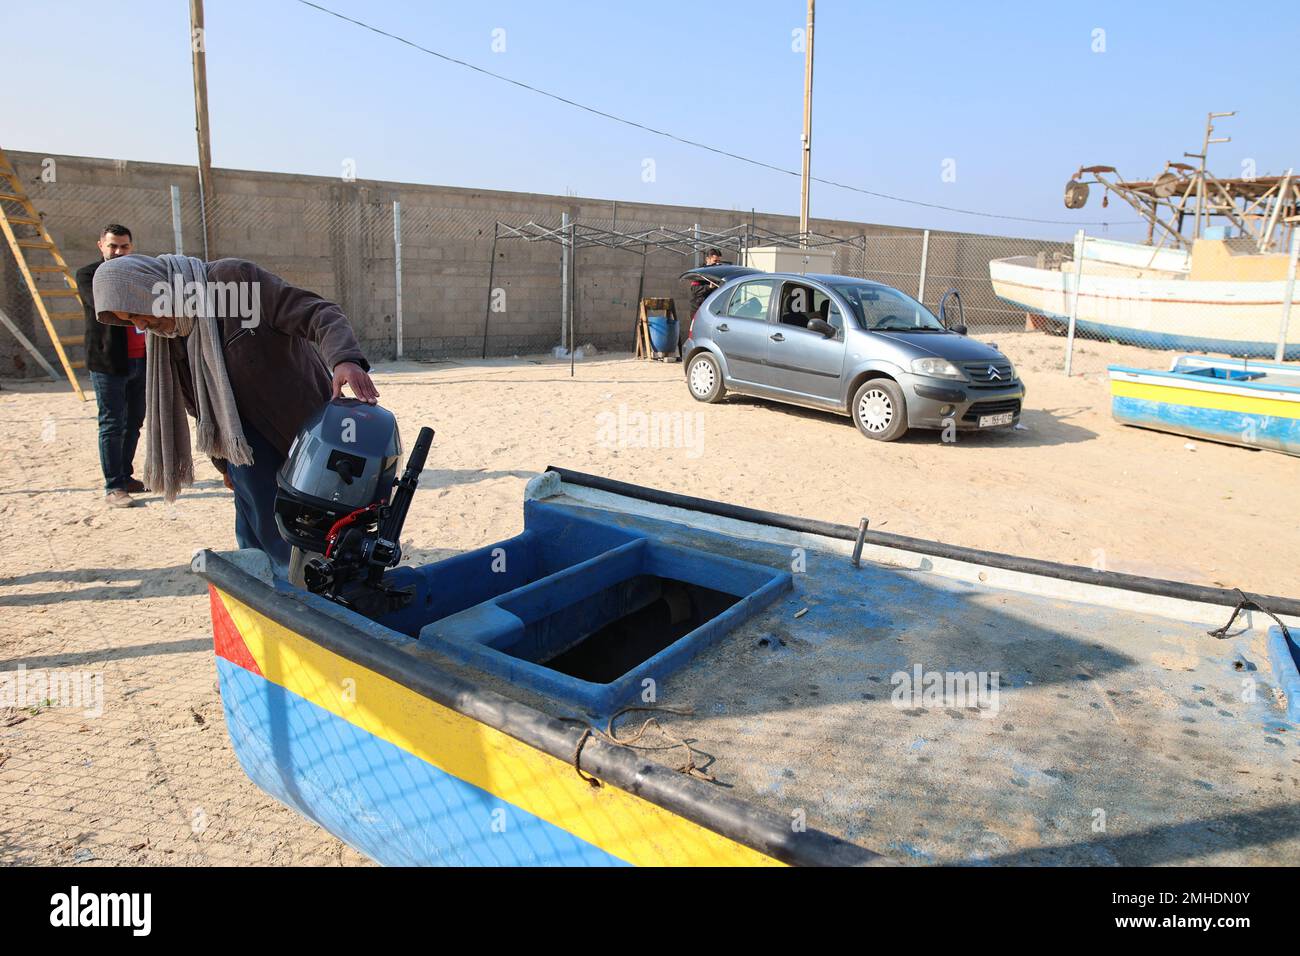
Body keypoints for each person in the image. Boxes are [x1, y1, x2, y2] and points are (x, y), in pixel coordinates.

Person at [92, 253, 379, 577]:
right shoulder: (170, 337)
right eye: (130, 322)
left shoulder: (233, 283)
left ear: (149, 289)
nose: (141, 326)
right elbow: (199, 407)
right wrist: (222, 464)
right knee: (259, 534)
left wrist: (344, 359)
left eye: (137, 313)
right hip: (242, 445)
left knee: (325, 528)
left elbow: (318, 313)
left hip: (304, 427)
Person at [78, 224, 148, 508]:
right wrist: (141, 308)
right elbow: (106, 307)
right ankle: (114, 486)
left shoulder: (140, 273)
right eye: (113, 246)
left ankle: (126, 475)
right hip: (108, 362)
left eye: (124, 246)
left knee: (134, 422)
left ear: (132, 247)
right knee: (112, 423)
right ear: (101, 246)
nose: (119, 252)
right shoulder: (88, 275)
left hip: (141, 359)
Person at [684, 248, 728, 355]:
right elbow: (694, 291)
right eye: (714, 262)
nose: (717, 264)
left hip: (713, 310)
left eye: (718, 262)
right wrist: (708, 287)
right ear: (707, 259)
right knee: (697, 333)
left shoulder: (719, 273)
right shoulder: (701, 273)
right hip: (698, 308)